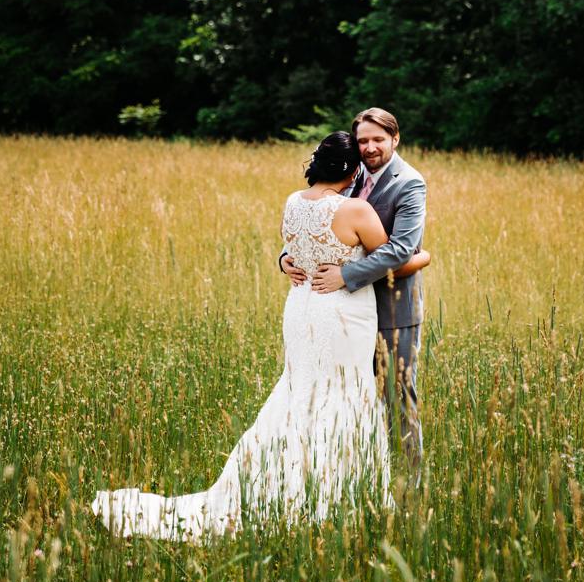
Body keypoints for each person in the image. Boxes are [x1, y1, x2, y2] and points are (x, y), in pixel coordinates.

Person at [91, 132, 430, 541]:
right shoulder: (356, 210)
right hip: (340, 313)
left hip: (303, 310)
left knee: (299, 391)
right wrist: (426, 256)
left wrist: (286, 261)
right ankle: (333, 496)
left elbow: (293, 251)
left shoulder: (293, 202)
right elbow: (394, 258)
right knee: (342, 393)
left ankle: (277, 485)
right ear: (352, 170)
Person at [283, 107, 427, 481]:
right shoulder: (348, 170)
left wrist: (345, 275)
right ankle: (346, 477)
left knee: (397, 399)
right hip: (340, 315)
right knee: (342, 397)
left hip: (392, 309)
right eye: (363, 140)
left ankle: (408, 484)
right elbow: (316, 229)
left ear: (395, 139)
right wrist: (285, 259)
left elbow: (399, 250)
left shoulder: (409, 183)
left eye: (378, 139)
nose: (370, 147)